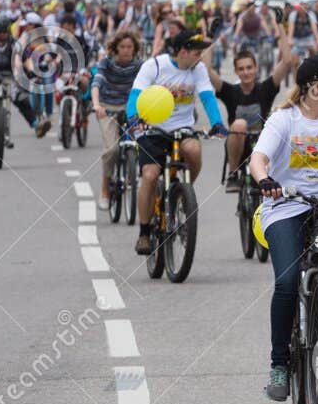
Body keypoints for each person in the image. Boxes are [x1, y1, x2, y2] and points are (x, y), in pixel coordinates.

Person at [250, 57, 318, 401]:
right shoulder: (284, 120)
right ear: (315, 86)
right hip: (285, 204)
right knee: (285, 281)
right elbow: (259, 157)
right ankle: (279, 364)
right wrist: (265, 179)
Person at [125, 32, 228, 255]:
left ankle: (181, 190)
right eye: (196, 53)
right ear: (182, 52)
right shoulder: (155, 66)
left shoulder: (197, 69)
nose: (200, 57)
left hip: (181, 129)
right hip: (151, 128)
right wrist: (133, 116)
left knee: (193, 149)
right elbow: (135, 94)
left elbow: (208, 97)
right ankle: (144, 232)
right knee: (150, 175)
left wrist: (217, 122)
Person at [209, 47, 279, 189]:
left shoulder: (265, 88)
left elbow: (287, 62)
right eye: (241, 69)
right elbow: (208, 71)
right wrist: (210, 41)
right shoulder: (230, 91)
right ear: (236, 71)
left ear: (256, 68)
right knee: (239, 124)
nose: (245, 72)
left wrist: (281, 28)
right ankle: (233, 174)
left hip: (263, 145)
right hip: (237, 146)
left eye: (249, 68)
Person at [0, 17, 50, 141]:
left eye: (4, 32)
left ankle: (37, 125)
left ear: (8, 31)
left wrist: (30, 70)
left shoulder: (15, 44)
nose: (2, 35)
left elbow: (25, 59)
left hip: (9, 78)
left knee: (22, 98)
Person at [94, 28, 145, 207]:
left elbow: (147, 86)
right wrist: (96, 105)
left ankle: (133, 172)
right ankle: (105, 190)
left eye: (129, 46)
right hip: (107, 108)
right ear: (116, 48)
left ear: (134, 48)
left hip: (131, 109)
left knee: (144, 142)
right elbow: (96, 84)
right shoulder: (107, 63)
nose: (126, 50)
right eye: (122, 46)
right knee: (111, 150)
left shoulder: (140, 65)